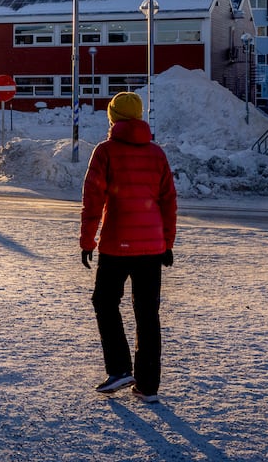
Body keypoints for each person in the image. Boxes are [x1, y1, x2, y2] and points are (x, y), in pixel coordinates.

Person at [79, 91, 177, 404]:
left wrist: (87, 241)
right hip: (152, 247)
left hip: (116, 244)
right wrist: (167, 243)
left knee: (105, 302)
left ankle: (120, 368)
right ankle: (148, 386)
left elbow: (92, 201)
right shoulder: (157, 153)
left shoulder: (105, 151)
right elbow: (168, 202)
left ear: (113, 117)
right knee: (148, 313)